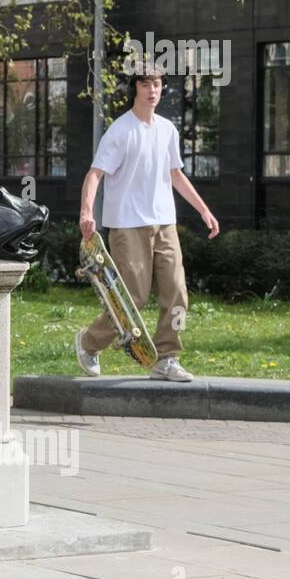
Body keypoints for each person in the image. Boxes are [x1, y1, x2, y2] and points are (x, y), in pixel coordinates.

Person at [74, 64, 219, 383]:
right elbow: (95, 174)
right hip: (127, 225)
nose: (152, 90)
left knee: (178, 294)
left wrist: (203, 210)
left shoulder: (168, 129)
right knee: (132, 299)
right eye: (145, 84)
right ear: (135, 89)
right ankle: (89, 342)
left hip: (165, 223)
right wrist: (87, 212)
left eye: (157, 84)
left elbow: (175, 174)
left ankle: (167, 357)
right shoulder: (120, 131)